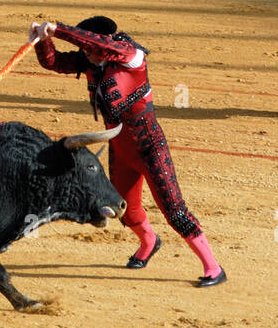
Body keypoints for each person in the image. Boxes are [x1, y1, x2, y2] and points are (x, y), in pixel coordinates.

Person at [28, 17, 226, 288]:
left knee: (174, 210)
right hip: (120, 148)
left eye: (89, 47)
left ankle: (213, 267)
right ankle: (149, 242)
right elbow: (53, 62)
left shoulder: (131, 57)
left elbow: (96, 45)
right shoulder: (91, 61)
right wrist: (43, 39)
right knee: (124, 209)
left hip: (150, 147)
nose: (85, 52)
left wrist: (60, 29)